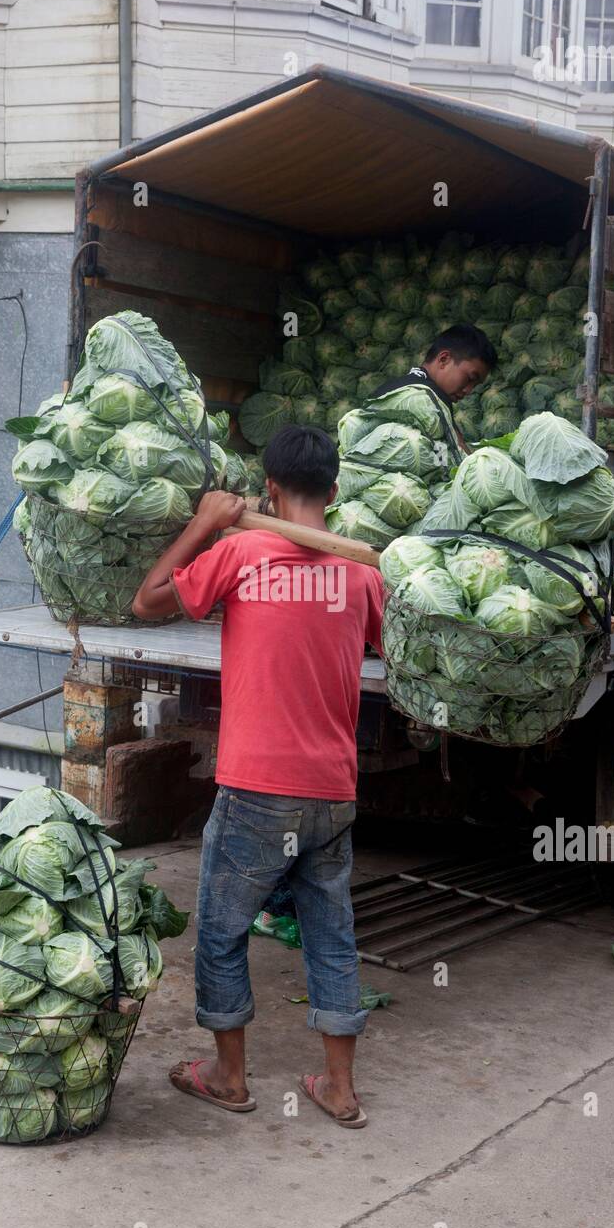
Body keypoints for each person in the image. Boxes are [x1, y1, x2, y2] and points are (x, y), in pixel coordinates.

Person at [132, 425, 384, 1129]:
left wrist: (203, 523)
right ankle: (340, 1089)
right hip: (333, 789)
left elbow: (146, 601)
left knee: (222, 929)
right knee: (332, 935)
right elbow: (393, 647)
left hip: (255, 790)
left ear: (268, 489)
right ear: (334, 492)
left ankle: (228, 1076)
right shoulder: (363, 572)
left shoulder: (240, 551)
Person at [374, 322, 497, 456]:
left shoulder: (392, 388)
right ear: (444, 359)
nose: (468, 390)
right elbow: (449, 459)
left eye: (475, 386)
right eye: (470, 378)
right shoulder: (431, 398)